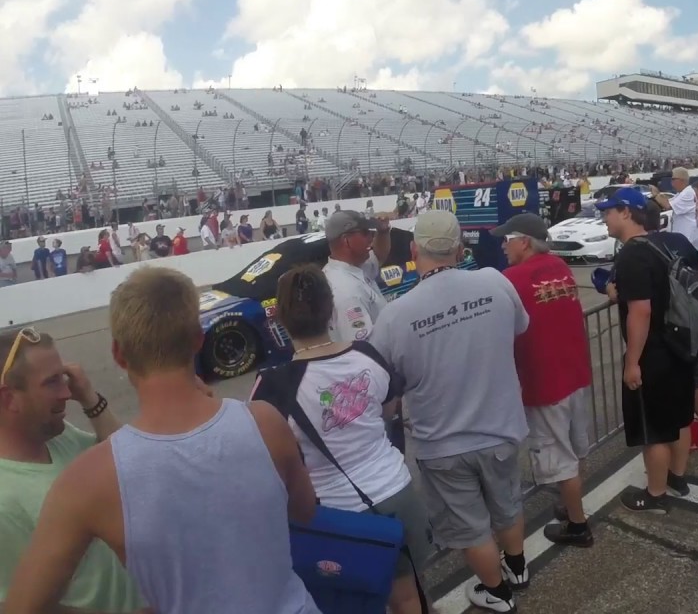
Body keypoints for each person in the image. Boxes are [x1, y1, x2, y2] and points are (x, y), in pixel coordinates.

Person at [6, 267, 320, 614]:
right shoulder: (265, 422)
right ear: (198, 340)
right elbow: (304, 510)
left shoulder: (86, 481)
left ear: (119, 354)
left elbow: (22, 607)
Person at [370, 210, 530, 613]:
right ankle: (517, 567)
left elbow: (384, 382)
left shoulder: (394, 315)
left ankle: (497, 591)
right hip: (501, 427)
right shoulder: (495, 281)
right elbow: (519, 326)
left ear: (413, 251)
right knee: (507, 504)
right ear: (460, 249)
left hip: (441, 442)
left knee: (470, 525)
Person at [253, 265, 433, 614]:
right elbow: (388, 410)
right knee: (408, 596)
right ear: (331, 309)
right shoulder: (367, 355)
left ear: (280, 318)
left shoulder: (272, 386)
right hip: (397, 493)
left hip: (335, 517)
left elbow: (268, 457)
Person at [0, 328, 146, 613]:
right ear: (9, 399)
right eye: (52, 382)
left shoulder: (58, 437)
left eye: (65, 377)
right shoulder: (4, 500)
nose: (68, 392)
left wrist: (90, 399)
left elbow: (130, 464)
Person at [493, 213, 595, 548]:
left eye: (507, 239)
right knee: (575, 445)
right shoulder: (559, 266)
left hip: (544, 379)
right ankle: (569, 505)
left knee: (556, 457)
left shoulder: (511, 279)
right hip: (574, 370)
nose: (503, 246)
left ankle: (577, 525)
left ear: (523, 241)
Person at [599, 187, 696, 511]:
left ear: (626, 212)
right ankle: (677, 477)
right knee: (680, 418)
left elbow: (640, 310)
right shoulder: (663, 243)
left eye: (608, 212)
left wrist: (632, 362)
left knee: (654, 429)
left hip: (653, 351)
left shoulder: (631, 254)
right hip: (679, 342)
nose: (604, 219)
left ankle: (655, 495)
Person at [323, 210, 393, 343]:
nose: (371, 238)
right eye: (365, 233)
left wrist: (383, 231)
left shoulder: (355, 267)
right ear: (346, 240)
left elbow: (379, 255)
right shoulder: (346, 292)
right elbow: (364, 349)